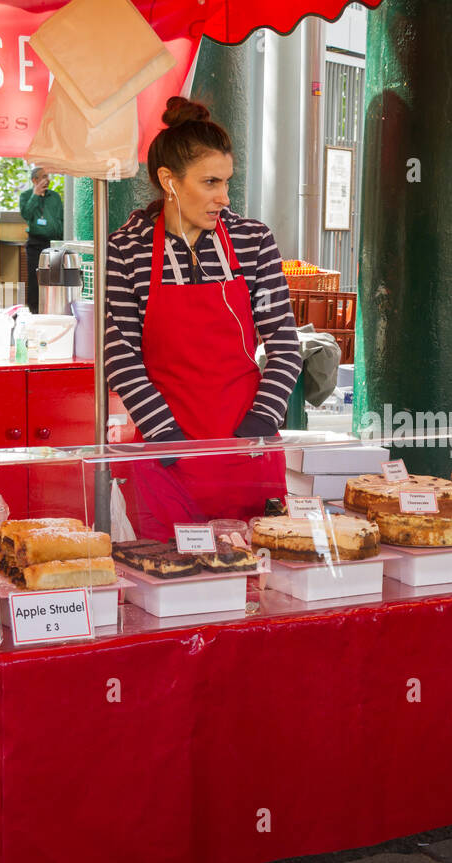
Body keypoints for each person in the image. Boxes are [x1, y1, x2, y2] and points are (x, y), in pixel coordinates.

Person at [104, 96, 303, 535]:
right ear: (168, 180)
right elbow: (119, 355)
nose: (223, 197)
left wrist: (260, 423)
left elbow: (285, 346)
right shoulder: (128, 247)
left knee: (260, 591)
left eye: (227, 182)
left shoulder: (252, 241)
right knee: (170, 587)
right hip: (167, 455)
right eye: (210, 182)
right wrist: (164, 436)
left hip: (247, 449)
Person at [19, 167, 64, 313]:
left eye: (48, 176)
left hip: (54, 244)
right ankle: (34, 310)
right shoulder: (26, 196)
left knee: (54, 279)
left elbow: (61, 219)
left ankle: (52, 310)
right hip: (35, 243)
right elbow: (26, 214)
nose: (47, 179)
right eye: (44, 177)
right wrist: (35, 195)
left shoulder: (55, 197)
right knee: (34, 279)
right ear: (34, 180)